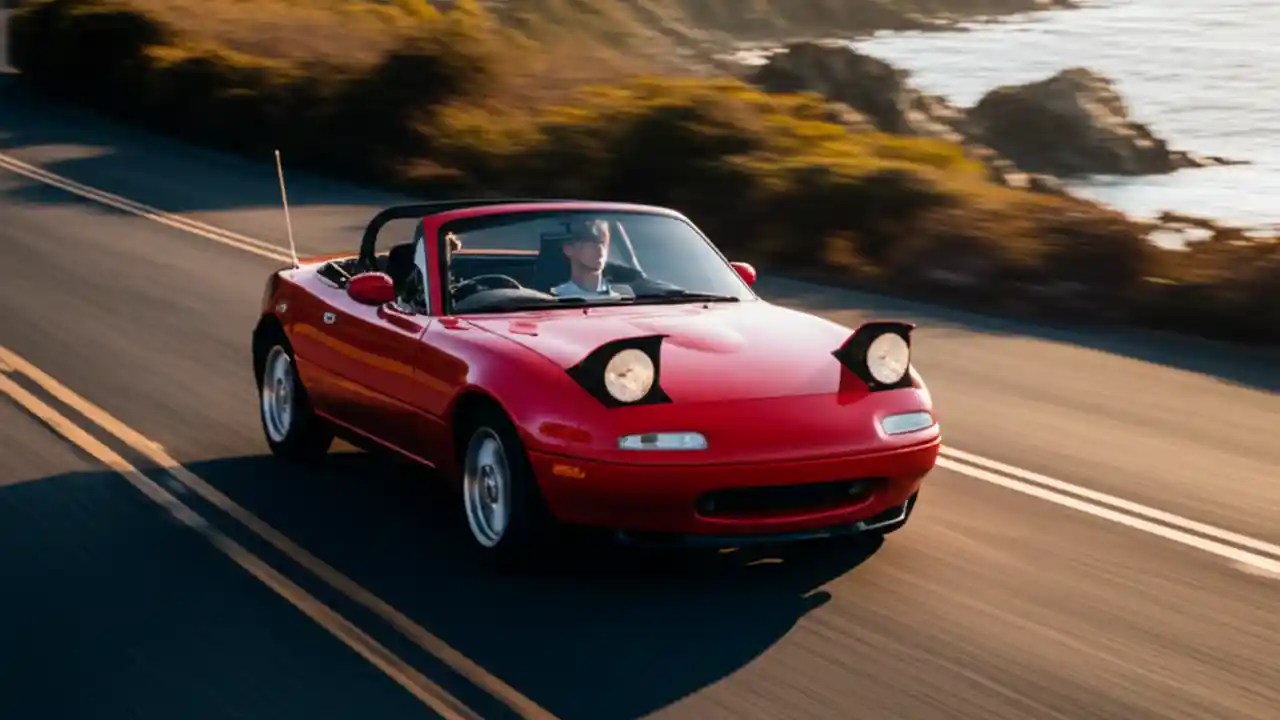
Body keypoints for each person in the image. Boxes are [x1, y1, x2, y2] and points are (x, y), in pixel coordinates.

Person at [551, 219, 622, 299]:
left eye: (603, 243)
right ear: (568, 249)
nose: (601, 250)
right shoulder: (554, 298)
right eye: (592, 243)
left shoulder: (624, 297)